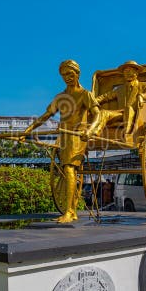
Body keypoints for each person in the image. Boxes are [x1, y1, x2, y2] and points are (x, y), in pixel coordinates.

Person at [23, 60, 100, 223]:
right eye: (64, 75)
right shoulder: (60, 97)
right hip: (64, 136)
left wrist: (90, 130)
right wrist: (27, 131)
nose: (67, 78)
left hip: (78, 135)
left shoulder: (85, 94)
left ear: (77, 74)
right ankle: (73, 210)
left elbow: (97, 114)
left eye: (70, 74)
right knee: (67, 171)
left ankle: (69, 211)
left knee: (69, 168)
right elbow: (46, 115)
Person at [94, 60, 146, 137]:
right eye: (125, 71)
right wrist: (92, 101)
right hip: (120, 114)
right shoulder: (120, 89)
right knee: (103, 113)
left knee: (128, 109)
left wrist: (141, 96)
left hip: (138, 114)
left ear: (136, 72)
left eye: (130, 71)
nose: (128, 73)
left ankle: (127, 135)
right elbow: (105, 96)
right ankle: (95, 133)